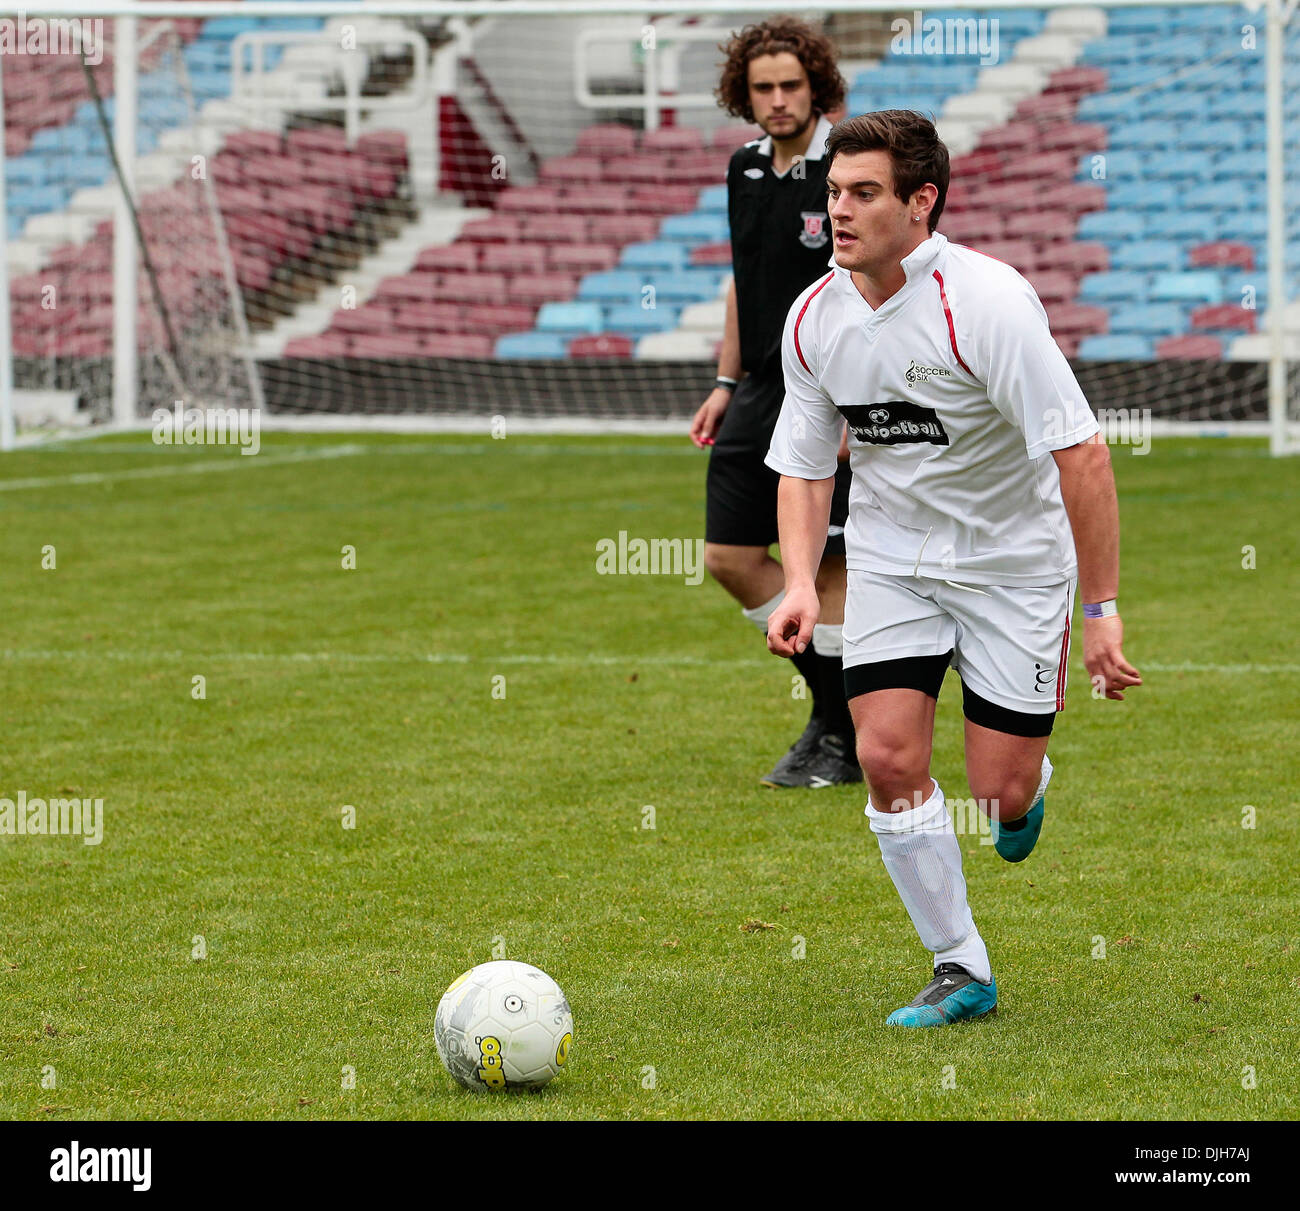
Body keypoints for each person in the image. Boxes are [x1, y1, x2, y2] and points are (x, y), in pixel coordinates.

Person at [765, 110, 1141, 1025]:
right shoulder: (815, 315)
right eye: (833, 192)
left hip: (1014, 565)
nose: (838, 212)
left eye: (863, 193)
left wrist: (1101, 609)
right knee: (889, 757)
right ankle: (960, 966)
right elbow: (807, 463)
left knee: (996, 795)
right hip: (894, 560)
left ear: (921, 201)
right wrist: (806, 582)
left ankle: (1025, 793)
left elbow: (1082, 455)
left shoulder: (988, 304)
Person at [691, 16, 860, 788]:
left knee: (825, 564)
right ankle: (835, 715)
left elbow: (868, 288)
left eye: (791, 84)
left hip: (830, 393)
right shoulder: (744, 167)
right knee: (727, 555)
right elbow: (741, 279)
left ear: (815, 84)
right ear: (744, 94)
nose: (779, 99)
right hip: (760, 389)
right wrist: (725, 385)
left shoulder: (850, 165)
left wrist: (859, 405)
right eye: (763, 87)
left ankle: (839, 735)